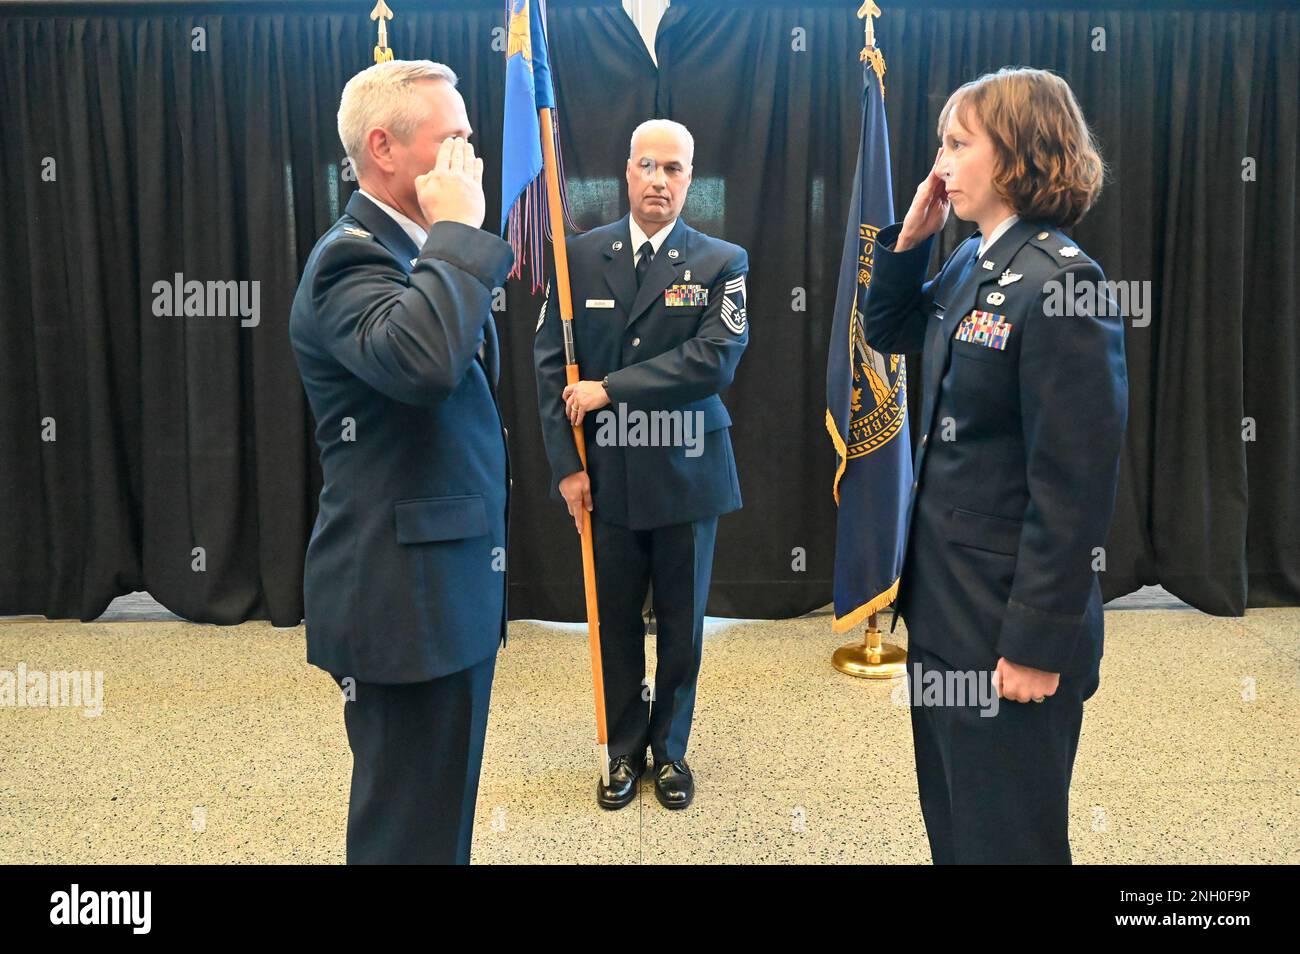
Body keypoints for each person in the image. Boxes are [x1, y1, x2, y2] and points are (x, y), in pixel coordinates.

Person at [861, 67, 1128, 863]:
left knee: (1010, 841)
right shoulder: (976, 262)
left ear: (1017, 155)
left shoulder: (1062, 285)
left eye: (957, 143)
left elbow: (1074, 489)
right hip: (947, 612)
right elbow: (890, 328)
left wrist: (1038, 644)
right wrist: (909, 242)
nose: (939, 162)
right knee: (959, 829)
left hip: (1010, 629)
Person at [289, 60, 514, 864]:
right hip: (403, 602)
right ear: (382, 147)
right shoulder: (349, 261)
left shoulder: (415, 252)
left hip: (444, 590)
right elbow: (423, 366)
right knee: (406, 835)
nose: (470, 163)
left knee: (435, 820)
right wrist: (456, 235)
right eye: (452, 141)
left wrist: (451, 241)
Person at [533, 119, 749, 811]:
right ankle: (623, 748)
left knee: (683, 627)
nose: (659, 180)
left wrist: (611, 388)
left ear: (691, 177)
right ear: (626, 172)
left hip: (688, 474)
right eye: (647, 166)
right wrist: (568, 465)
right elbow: (548, 370)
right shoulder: (577, 258)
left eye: (674, 169)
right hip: (607, 477)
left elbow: (713, 360)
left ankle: (672, 750)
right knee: (615, 620)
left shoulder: (722, 262)